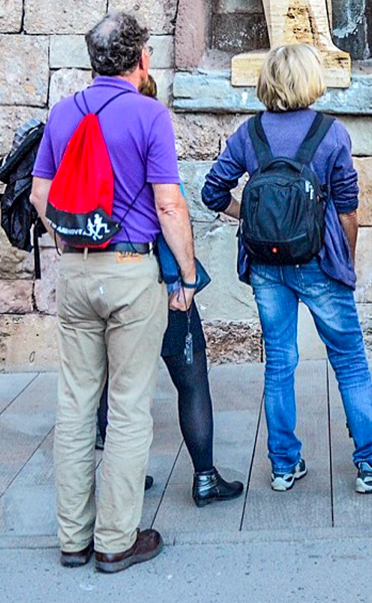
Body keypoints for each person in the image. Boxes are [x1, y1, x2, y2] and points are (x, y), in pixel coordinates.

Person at [202, 43, 372, 496]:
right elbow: (348, 210)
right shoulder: (331, 134)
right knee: (350, 361)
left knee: (279, 361)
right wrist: (347, 262)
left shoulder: (249, 133)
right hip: (319, 260)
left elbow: (212, 192)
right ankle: (371, 463)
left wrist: (251, 218)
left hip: (265, 263)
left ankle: (283, 465)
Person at [29, 12, 196, 574]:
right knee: (128, 406)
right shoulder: (150, 115)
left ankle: (73, 538)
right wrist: (187, 275)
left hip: (77, 269)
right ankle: (116, 539)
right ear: (142, 58)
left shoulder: (63, 112)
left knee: (76, 404)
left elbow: (40, 196)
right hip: (129, 269)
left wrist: (69, 242)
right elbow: (168, 203)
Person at [94, 75, 245, 509]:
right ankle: (204, 478)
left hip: (102, 275)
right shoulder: (149, 138)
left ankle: (123, 473)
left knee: (113, 382)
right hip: (157, 279)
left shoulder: (89, 136)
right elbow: (170, 208)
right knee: (191, 380)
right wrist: (187, 276)